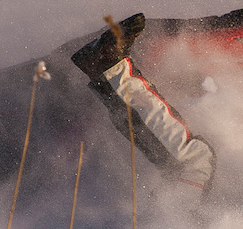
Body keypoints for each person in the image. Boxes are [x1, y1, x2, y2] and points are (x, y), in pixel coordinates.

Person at [71, 13, 216, 206]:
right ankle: (108, 75)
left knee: (195, 162)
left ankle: (109, 69)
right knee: (189, 166)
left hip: (190, 226)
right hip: (193, 223)